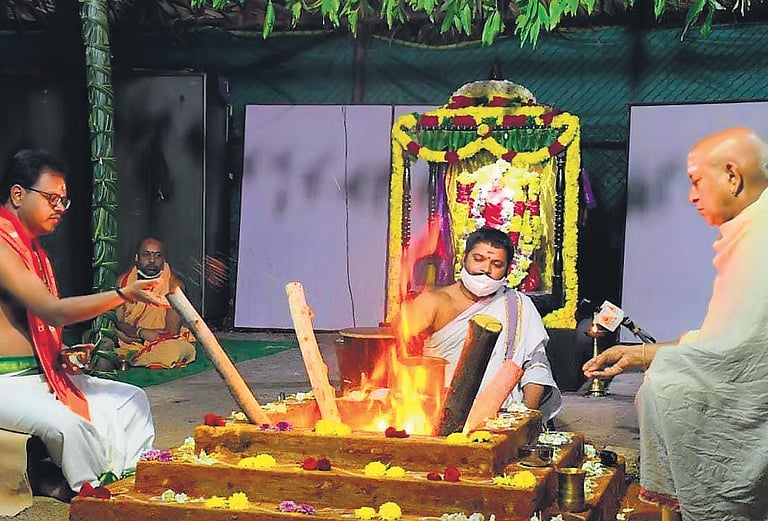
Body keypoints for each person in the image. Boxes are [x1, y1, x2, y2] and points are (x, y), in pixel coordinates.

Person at [583, 127, 768, 520]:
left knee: (666, 390)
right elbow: (724, 341)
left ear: (732, 176)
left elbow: (739, 358)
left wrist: (650, 362)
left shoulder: (760, 240)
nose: (691, 196)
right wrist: (636, 356)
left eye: (697, 181)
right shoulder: (749, 232)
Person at [0, 149, 166, 500]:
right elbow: (53, 312)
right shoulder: (2, 246)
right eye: (51, 198)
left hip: (43, 376)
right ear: (18, 195)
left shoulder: (32, 249)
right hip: (7, 383)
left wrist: (59, 354)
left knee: (131, 400)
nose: (60, 207)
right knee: (68, 426)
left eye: (64, 200)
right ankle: (89, 492)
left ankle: (128, 483)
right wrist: (123, 294)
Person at [394, 226, 561, 425]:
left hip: (500, 418)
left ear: (507, 270)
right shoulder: (433, 302)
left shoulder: (518, 305)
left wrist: (523, 417)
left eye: (496, 264)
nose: (485, 270)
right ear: (464, 258)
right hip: (434, 414)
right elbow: (394, 352)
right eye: (479, 259)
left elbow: (536, 365)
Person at [114, 237, 196, 368]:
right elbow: (116, 322)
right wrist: (138, 333)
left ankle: (127, 358)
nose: (152, 261)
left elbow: (171, 332)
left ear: (163, 260)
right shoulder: (123, 282)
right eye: (146, 255)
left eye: (158, 256)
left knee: (173, 351)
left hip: (163, 341)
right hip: (127, 339)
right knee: (97, 337)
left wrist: (135, 333)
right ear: (137, 257)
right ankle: (128, 355)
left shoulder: (173, 285)